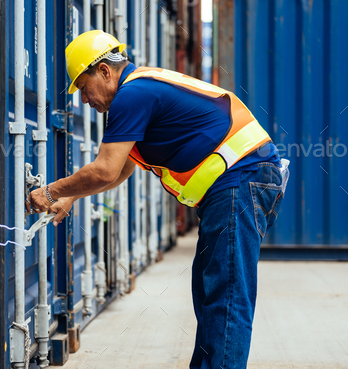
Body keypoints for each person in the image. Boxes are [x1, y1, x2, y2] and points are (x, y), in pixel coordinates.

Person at [26, 30, 288, 369]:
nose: (84, 100)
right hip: (236, 187)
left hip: (242, 180)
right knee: (211, 294)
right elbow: (121, 169)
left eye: (83, 86)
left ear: (104, 71)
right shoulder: (141, 90)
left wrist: (52, 191)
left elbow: (105, 170)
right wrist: (73, 196)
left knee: (226, 298)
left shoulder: (133, 95)